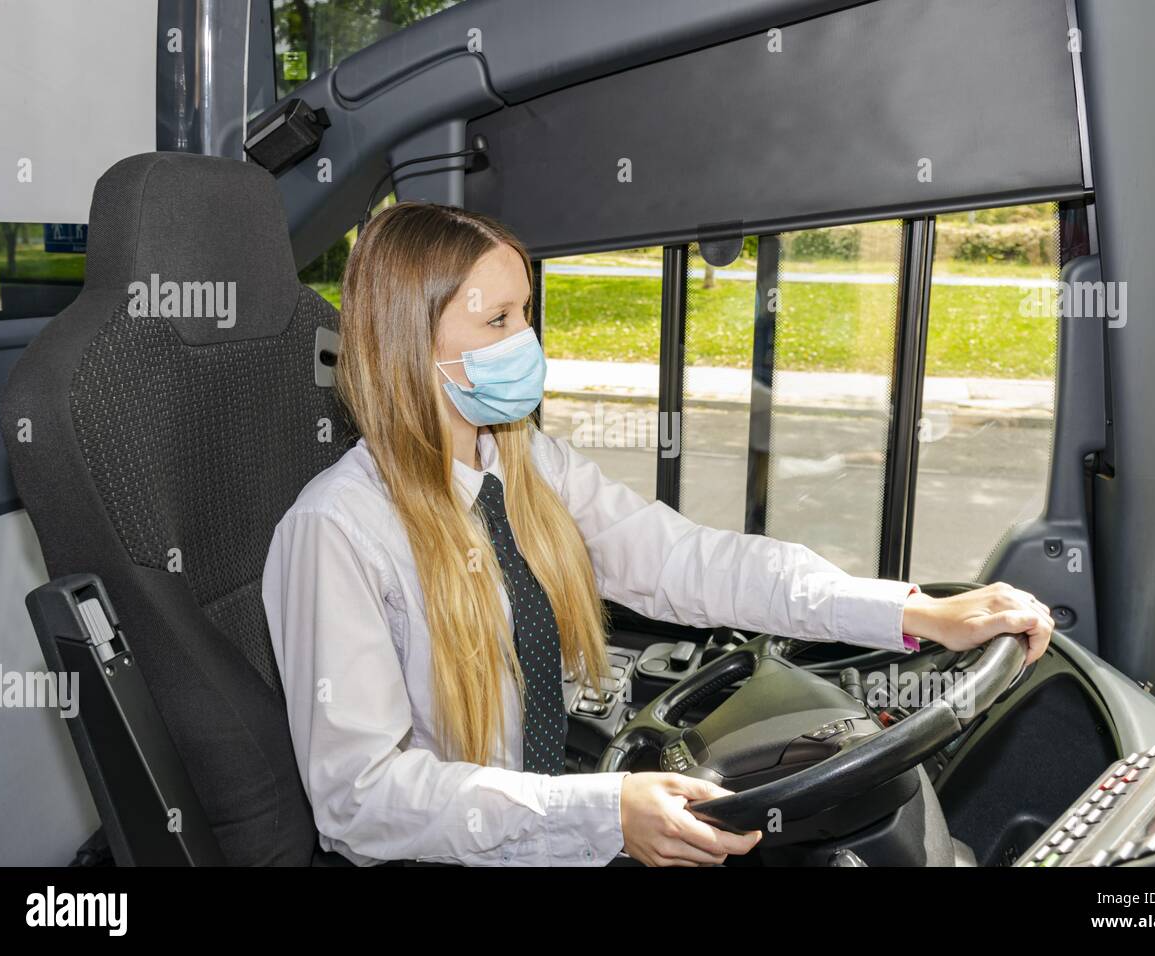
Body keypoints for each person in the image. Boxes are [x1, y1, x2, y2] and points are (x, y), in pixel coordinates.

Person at [261, 201, 1055, 868]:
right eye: (496, 319)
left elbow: (687, 562)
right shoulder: (336, 532)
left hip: (554, 820)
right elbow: (358, 799)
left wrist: (909, 610)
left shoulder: (525, 462)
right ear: (408, 341)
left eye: (526, 313)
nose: (525, 343)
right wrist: (602, 814)